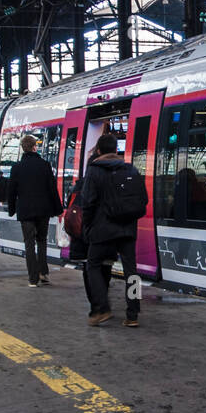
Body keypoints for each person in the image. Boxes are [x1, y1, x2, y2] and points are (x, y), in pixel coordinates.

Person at [80, 132, 148, 326]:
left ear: (99, 150)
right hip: (127, 229)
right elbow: (142, 200)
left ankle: (102, 308)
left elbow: (88, 202)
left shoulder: (94, 171)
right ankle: (133, 314)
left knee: (93, 265)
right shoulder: (131, 169)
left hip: (102, 230)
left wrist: (88, 227)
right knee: (131, 272)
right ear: (116, 149)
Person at [7, 134, 63, 287]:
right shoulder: (44, 165)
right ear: (34, 147)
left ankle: (33, 279)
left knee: (29, 243)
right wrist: (58, 209)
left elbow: (11, 191)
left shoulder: (16, 168)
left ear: (23, 149)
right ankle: (43, 273)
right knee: (42, 241)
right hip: (43, 211)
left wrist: (11, 209)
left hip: (25, 212)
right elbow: (52, 189)